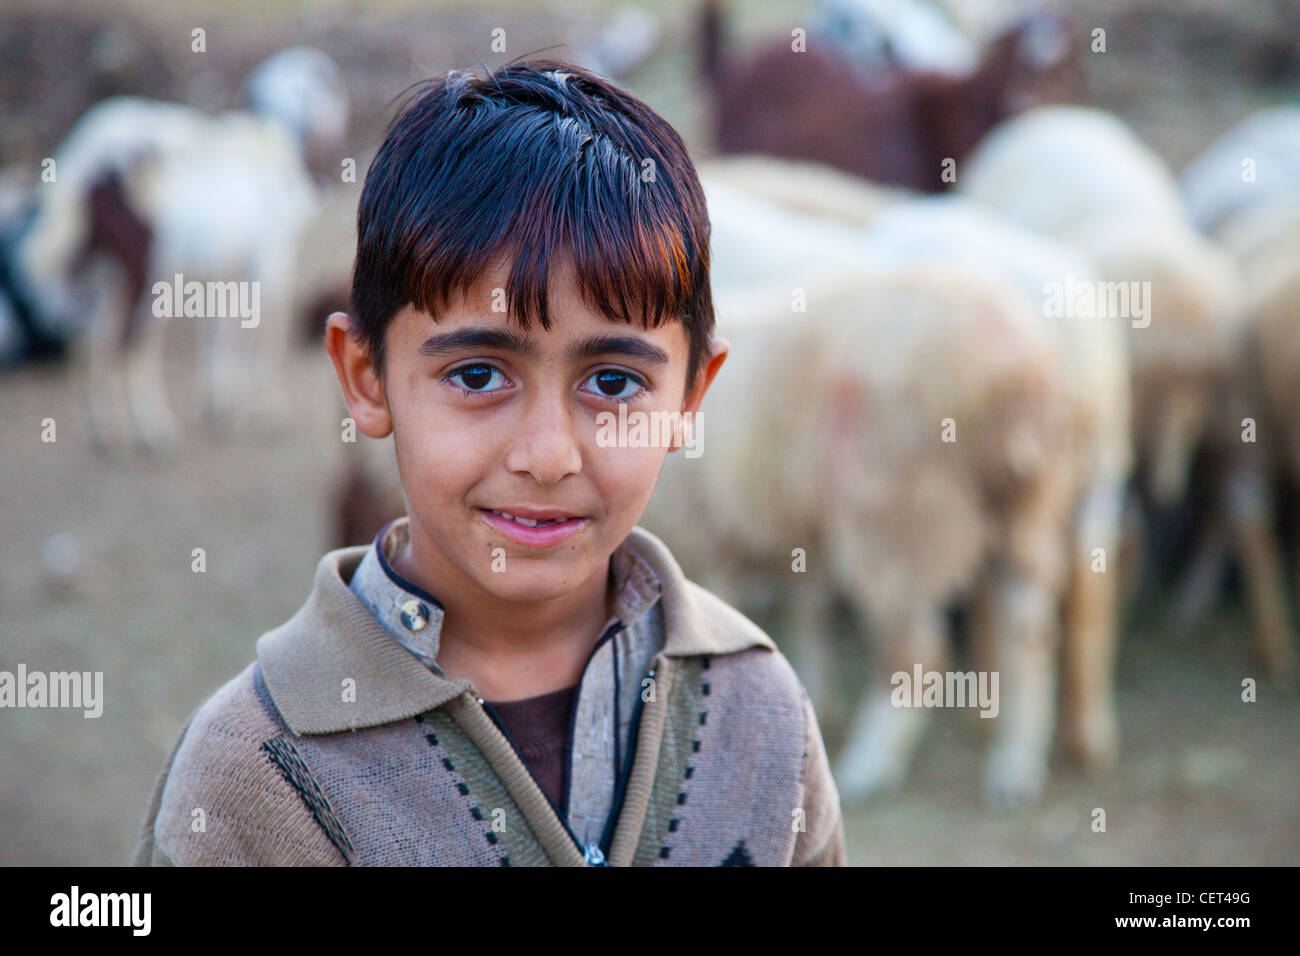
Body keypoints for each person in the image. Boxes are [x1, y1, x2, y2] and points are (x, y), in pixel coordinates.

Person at [131, 58, 846, 866]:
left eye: (612, 382)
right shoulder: (255, 775)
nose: (546, 455)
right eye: (477, 375)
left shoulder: (758, 713)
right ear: (366, 380)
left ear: (689, 396)